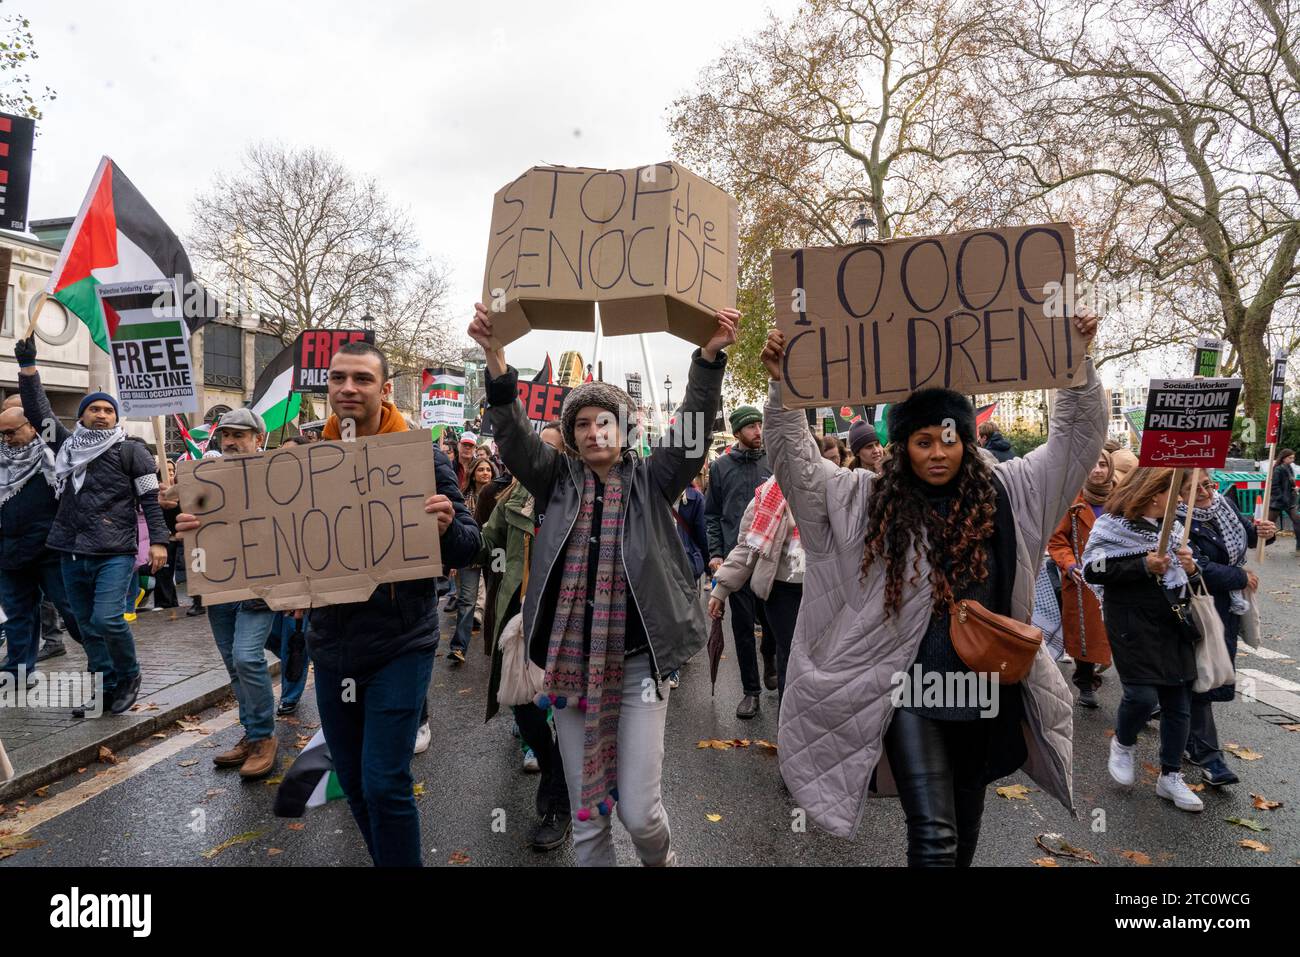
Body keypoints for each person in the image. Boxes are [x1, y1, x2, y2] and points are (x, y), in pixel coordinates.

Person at [762, 308, 1106, 866]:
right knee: (933, 833)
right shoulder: (860, 501)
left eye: (948, 440)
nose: (938, 453)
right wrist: (783, 387)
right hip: (908, 694)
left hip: (983, 690)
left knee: (965, 828)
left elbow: (1076, 441)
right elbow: (796, 462)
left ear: (967, 440)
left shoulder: (1013, 494)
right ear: (902, 448)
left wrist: (1077, 362)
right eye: (922, 442)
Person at [177, 341, 480, 866]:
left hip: (400, 643)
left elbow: (471, 544)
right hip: (333, 646)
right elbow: (278, 542)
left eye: (362, 379)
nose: (347, 388)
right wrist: (207, 533)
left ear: (384, 389)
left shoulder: (418, 455)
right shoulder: (303, 461)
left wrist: (448, 528)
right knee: (355, 782)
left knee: (386, 781)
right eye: (338, 378)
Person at [470, 300, 734, 866]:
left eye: (604, 421)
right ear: (570, 435)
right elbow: (514, 436)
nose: (593, 432)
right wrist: (495, 359)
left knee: (640, 814)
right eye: (582, 424)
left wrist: (708, 357)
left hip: (639, 663)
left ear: (624, 429)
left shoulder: (655, 479)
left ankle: (660, 861)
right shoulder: (552, 480)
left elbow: (692, 428)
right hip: (569, 664)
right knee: (589, 820)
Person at [16, 336, 168, 716]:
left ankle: (129, 674)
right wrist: (28, 367)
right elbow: (39, 415)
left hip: (114, 551)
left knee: (107, 618)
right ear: (82, 416)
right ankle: (104, 688)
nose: (101, 415)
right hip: (70, 551)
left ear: (116, 418)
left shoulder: (132, 450)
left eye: (107, 410)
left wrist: (159, 543)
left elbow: (150, 499)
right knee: (85, 627)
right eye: (94, 409)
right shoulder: (65, 446)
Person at [1082, 467, 1206, 813]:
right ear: (1155, 495)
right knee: (1140, 695)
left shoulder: (1177, 530)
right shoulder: (1112, 526)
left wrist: (1191, 567)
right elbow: (1093, 569)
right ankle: (1123, 742)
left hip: (1174, 621)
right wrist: (1142, 565)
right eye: (1175, 493)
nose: (1181, 500)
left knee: (1178, 701)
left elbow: (1192, 579)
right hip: (1131, 622)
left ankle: (1171, 776)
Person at [477, 420, 573, 851]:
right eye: (537, 450)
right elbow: (485, 544)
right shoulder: (512, 498)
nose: (540, 460)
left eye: (550, 452)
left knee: (567, 712)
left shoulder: (579, 497)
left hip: (570, 623)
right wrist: (442, 534)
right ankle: (553, 766)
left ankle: (560, 800)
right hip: (520, 621)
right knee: (522, 707)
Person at [194, 409, 281, 779]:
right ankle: (251, 733)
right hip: (219, 585)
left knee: (247, 658)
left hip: (260, 586)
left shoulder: (278, 477)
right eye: (224, 434)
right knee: (233, 664)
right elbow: (191, 526)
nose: (229, 441)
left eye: (239, 435)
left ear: (258, 439)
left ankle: (264, 738)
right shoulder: (205, 478)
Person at [1182, 474, 1275, 786]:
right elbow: (1197, 567)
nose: (1208, 492)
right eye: (1195, 489)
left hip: (1225, 608)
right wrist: (1238, 578)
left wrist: (1265, 532)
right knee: (1201, 677)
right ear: (1177, 495)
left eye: (1208, 484)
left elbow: (1247, 534)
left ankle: (1186, 740)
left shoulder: (1224, 504)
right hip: (1194, 606)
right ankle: (1210, 758)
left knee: (1203, 677)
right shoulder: (1176, 523)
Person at [0, 404, 84, 682]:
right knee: (18, 614)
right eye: (2, 434)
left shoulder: (55, 457)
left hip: (51, 551)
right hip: (10, 553)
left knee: (72, 610)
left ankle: (108, 662)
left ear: (32, 427)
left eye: (11, 432)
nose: (6, 439)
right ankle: (18, 671)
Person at [706, 404, 776, 719]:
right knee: (743, 628)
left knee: (774, 625)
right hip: (737, 560)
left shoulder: (773, 461)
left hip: (772, 559)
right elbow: (712, 515)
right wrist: (716, 554)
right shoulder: (720, 468)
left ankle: (771, 658)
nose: (758, 431)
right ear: (737, 433)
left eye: (760, 425)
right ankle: (751, 692)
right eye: (751, 427)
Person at [708, 476, 803, 703]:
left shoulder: (830, 483)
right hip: (782, 593)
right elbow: (747, 547)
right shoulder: (767, 493)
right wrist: (720, 590)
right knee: (792, 659)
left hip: (823, 588)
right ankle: (789, 728)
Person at [1047, 451, 1116, 708]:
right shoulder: (1072, 500)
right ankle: (1085, 682)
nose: (1097, 470)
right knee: (1085, 633)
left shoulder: (1124, 498)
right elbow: (1057, 539)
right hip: (1083, 578)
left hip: (1118, 574)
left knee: (1125, 630)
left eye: (1103, 464)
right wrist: (1069, 564)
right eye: (1092, 464)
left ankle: (1141, 690)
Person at [448, 454, 499, 665]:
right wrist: (452, 559)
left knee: (496, 600)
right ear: (474, 474)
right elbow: (455, 530)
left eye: (488, 469)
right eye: (481, 469)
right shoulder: (461, 497)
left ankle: (498, 647)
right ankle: (459, 647)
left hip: (495, 554)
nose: (485, 473)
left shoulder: (501, 495)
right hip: (470, 555)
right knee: (467, 601)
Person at [1268, 449, 1298, 551]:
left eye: (1293, 458)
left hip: (1289, 501)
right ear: (1284, 458)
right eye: (1290, 458)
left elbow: (1289, 483)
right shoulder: (1278, 469)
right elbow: (1274, 487)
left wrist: (1294, 488)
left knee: (1297, 521)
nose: (1292, 460)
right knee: (1268, 524)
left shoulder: (1289, 467)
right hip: (1278, 501)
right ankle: (1258, 542)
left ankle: (1299, 546)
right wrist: (1282, 497)